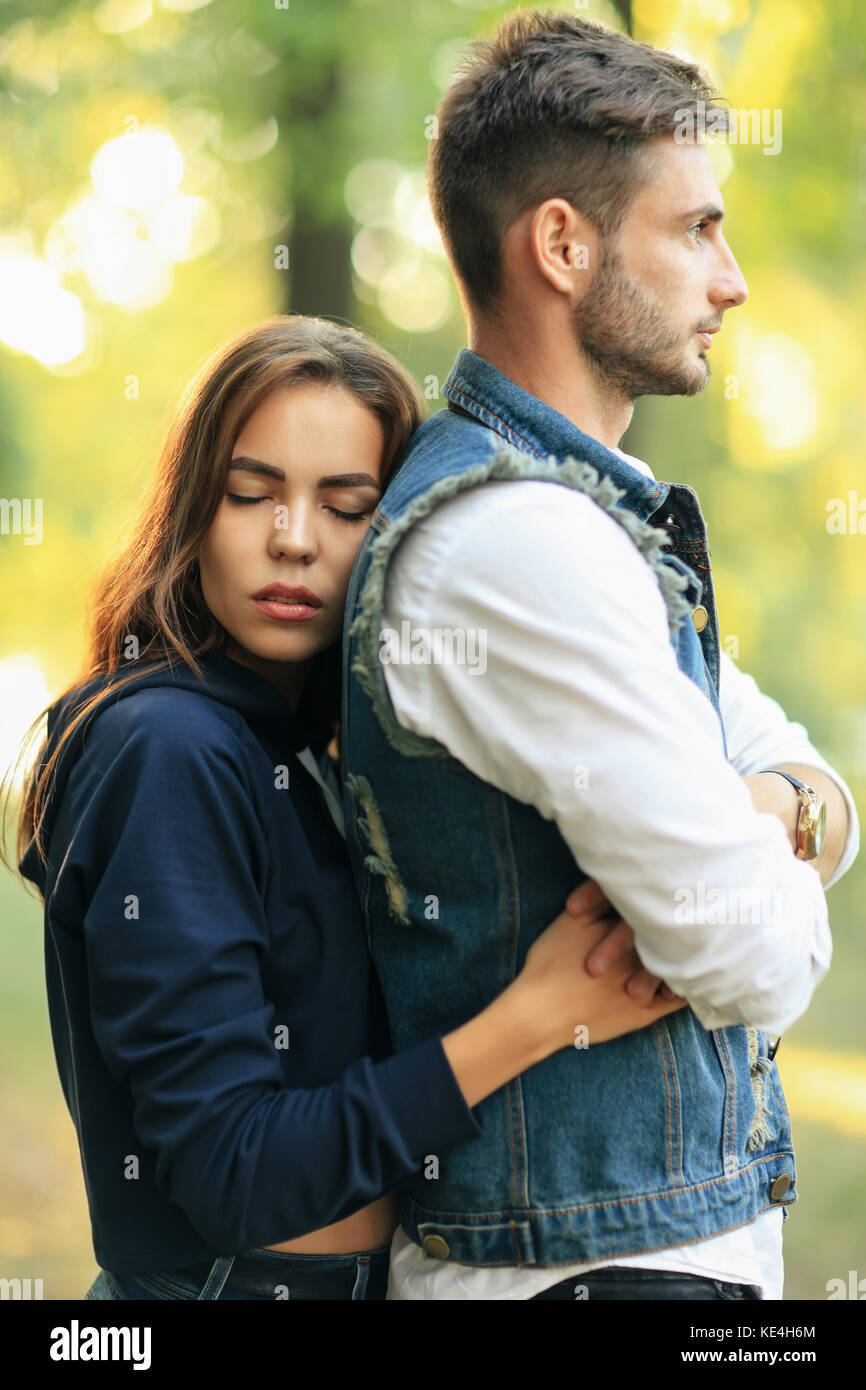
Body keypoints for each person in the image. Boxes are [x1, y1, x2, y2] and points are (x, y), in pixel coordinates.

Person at [0, 314, 686, 1302]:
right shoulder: (168, 750)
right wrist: (536, 1016)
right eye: (250, 494)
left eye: (344, 503)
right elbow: (235, 1171)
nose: (292, 539)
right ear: (193, 513)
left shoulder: (298, 750)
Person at [340, 12, 860, 1301]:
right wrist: (770, 843)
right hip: (589, 1274)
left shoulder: (582, 525)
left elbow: (808, 772)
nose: (729, 278)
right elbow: (751, 954)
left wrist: (777, 805)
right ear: (562, 246)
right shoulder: (514, 545)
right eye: (694, 228)